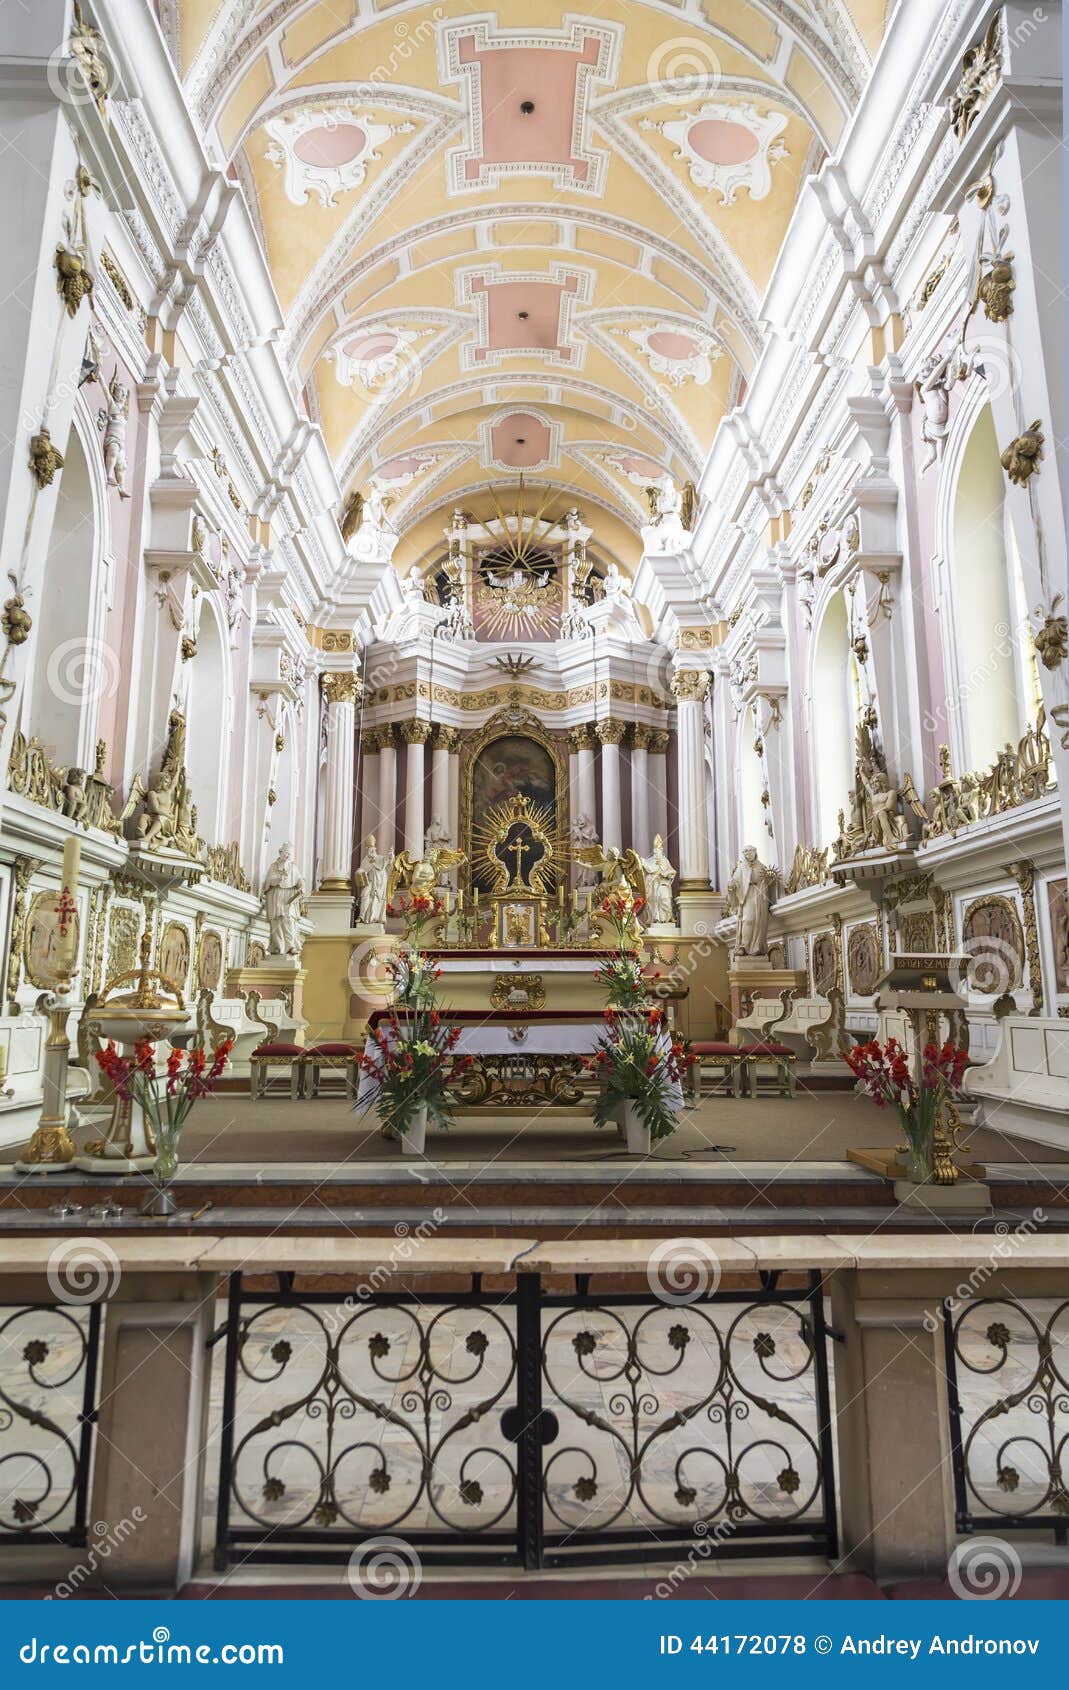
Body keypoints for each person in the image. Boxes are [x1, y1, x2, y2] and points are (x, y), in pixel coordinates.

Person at [262, 842, 305, 956]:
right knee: (276, 922)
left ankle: (290, 947)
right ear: (281, 853)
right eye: (286, 853)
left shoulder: (293, 868)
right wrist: (277, 879)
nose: (287, 856)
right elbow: (267, 882)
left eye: (289, 854)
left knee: (288, 920)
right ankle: (277, 947)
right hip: (276, 895)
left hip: (289, 896)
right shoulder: (273, 866)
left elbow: (299, 880)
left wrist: (301, 884)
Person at [730, 846, 772, 958]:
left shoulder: (762, 867)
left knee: (759, 920)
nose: (748, 854)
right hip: (746, 895)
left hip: (759, 895)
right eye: (745, 852)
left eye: (750, 852)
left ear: (755, 852)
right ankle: (743, 947)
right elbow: (735, 881)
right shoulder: (741, 868)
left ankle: (757, 946)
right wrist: (732, 885)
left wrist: (768, 880)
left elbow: (768, 882)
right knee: (748, 920)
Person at [356, 834, 389, 926]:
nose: (371, 852)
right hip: (369, 882)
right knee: (364, 895)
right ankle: (361, 916)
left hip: (379, 884)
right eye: (370, 850)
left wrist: (390, 856)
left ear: (375, 850)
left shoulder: (380, 858)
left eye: (373, 850)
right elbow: (362, 869)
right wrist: (359, 872)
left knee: (376, 899)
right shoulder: (365, 860)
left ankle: (376, 917)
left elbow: (386, 861)